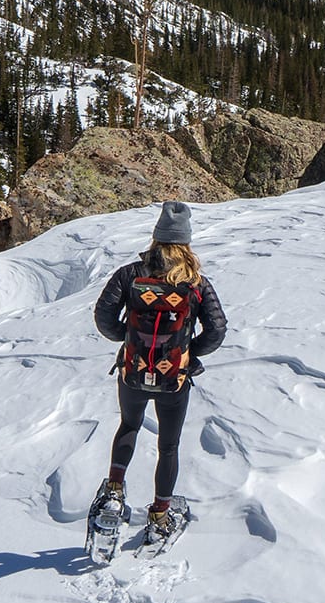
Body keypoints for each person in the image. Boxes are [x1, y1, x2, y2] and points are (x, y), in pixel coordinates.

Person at [89, 200, 226, 544]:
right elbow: (217, 329)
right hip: (174, 378)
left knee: (129, 426)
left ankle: (114, 492)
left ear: (156, 237)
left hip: (133, 372)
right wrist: (188, 353)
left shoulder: (130, 275)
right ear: (186, 242)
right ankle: (160, 515)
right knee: (168, 445)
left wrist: (128, 339)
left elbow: (104, 317)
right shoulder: (196, 284)